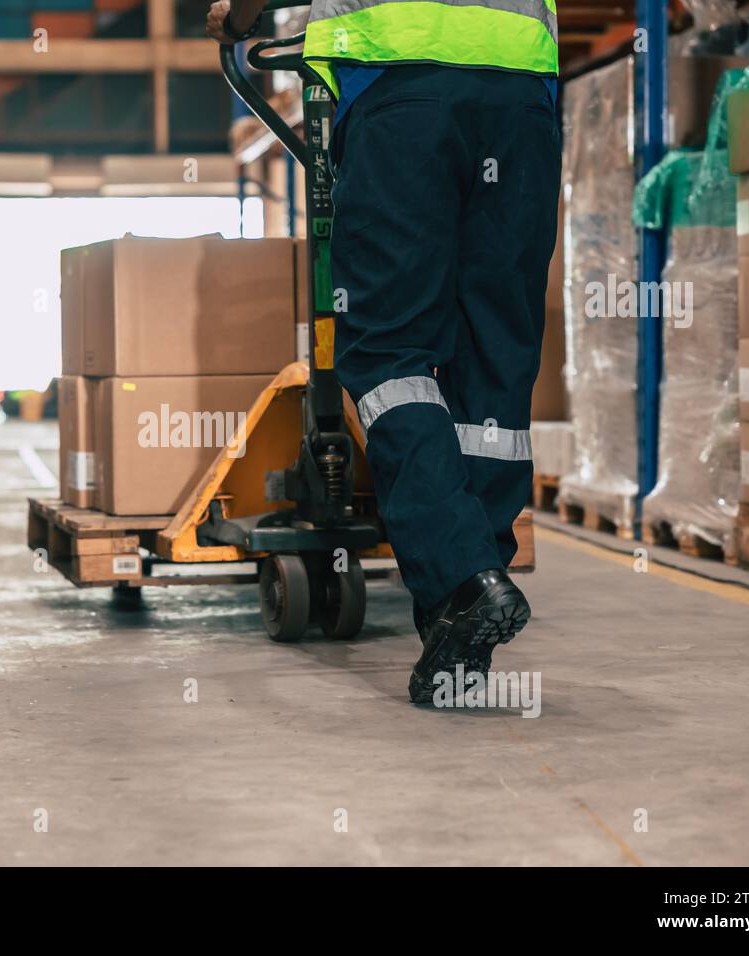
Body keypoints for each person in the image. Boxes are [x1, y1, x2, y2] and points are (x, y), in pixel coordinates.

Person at [207, 0, 560, 704]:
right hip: (521, 95)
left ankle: (465, 580)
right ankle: (462, 622)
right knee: (496, 355)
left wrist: (236, 17)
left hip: (404, 94)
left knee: (388, 354)